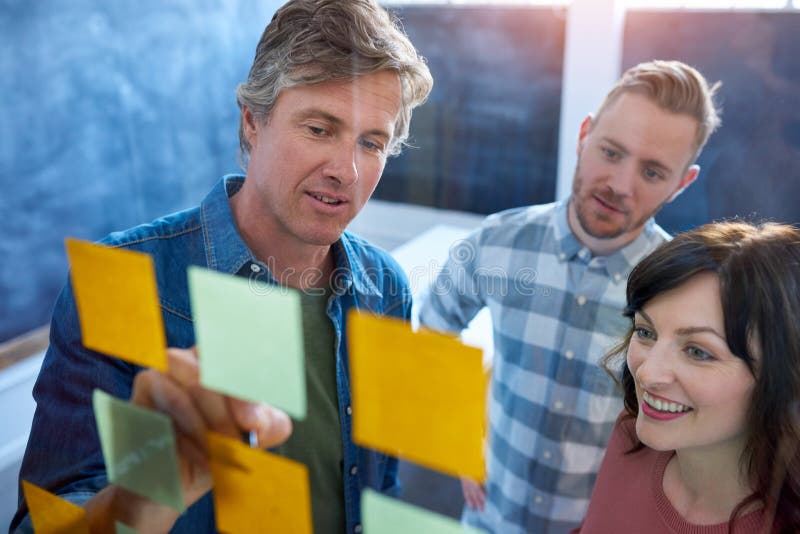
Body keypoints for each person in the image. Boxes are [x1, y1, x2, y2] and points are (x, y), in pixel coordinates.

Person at [11, 1, 432, 532]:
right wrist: (142, 496)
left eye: (371, 143)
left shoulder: (387, 290)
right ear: (253, 122)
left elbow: (379, 482)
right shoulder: (120, 282)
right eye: (320, 129)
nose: (346, 171)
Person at [419, 60, 721, 533]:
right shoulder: (497, 241)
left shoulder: (682, 290)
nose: (620, 184)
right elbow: (434, 324)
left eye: (653, 172)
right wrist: (458, 434)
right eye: (611, 152)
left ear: (682, 183)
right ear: (584, 135)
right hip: (487, 519)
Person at [573, 221, 800, 533]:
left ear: (784, 378)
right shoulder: (632, 433)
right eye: (645, 331)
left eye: (698, 352)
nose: (648, 374)